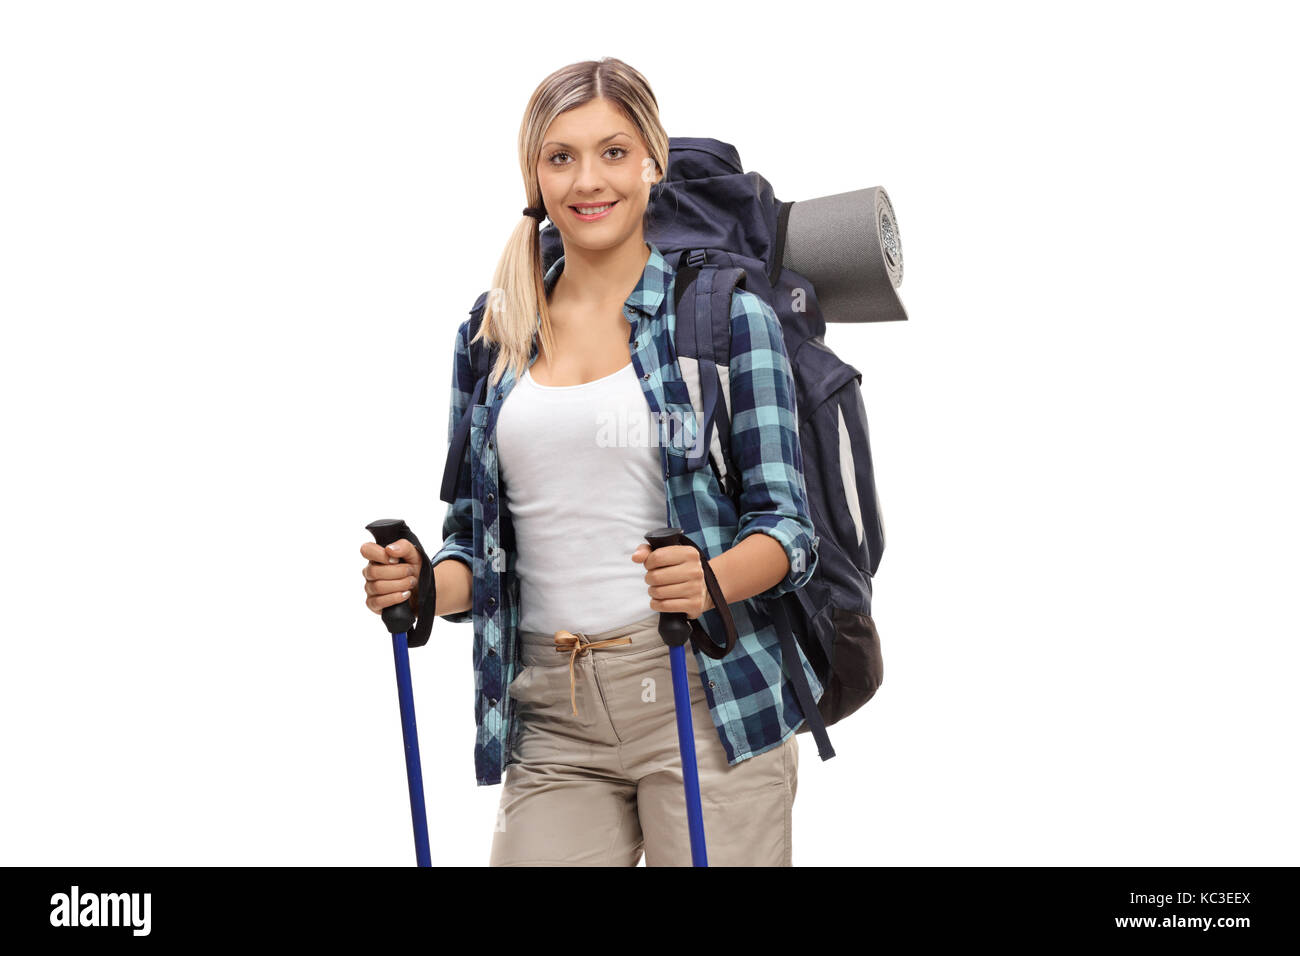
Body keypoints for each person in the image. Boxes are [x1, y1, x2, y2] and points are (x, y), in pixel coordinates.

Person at [360, 57, 823, 866]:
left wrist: (710, 580)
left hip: (707, 694)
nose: (588, 180)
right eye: (560, 156)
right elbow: (478, 540)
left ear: (652, 160)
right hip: (547, 709)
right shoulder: (493, 332)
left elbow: (787, 529)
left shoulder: (726, 319)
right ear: (534, 176)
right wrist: (427, 582)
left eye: (612, 152)